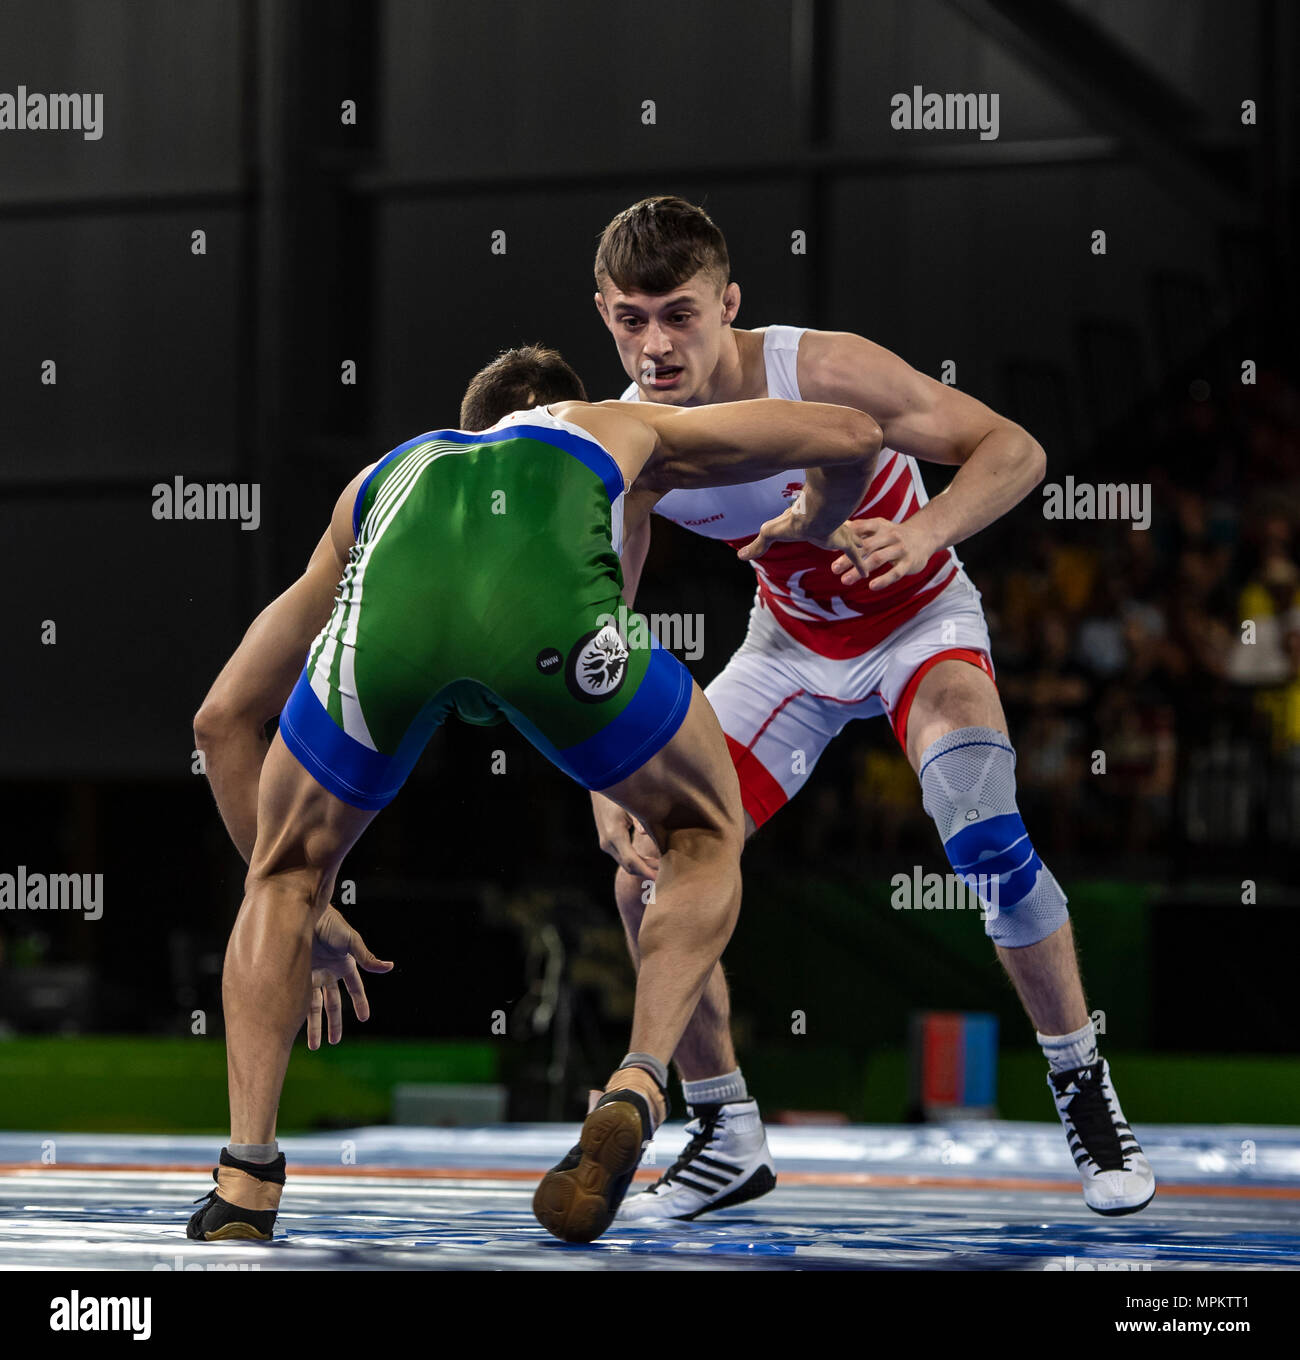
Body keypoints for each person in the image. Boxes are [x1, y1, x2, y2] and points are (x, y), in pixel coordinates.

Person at [187, 343, 883, 1245]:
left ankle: (246, 1178)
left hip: (392, 633)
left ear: (469, 428)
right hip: (554, 632)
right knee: (703, 826)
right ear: (565, 410)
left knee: (281, 876)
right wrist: (818, 513)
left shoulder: (379, 480)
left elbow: (219, 720)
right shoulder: (610, 427)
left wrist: (309, 906)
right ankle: (639, 1080)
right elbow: (853, 432)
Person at [588, 196, 1155, 1221]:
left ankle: (1082, 1084)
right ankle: (725, 1130)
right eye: (631, 319)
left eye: (678, 313)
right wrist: (604, 771)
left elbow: (1014, 449)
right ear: (602, 312)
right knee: (645, 868)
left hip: (916, 623)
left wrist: (928, 529)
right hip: (788, 648)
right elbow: (603, 620)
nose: (656, 345)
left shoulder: (824, 369)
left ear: (730, 304)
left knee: (980, 827)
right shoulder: (630, 440)